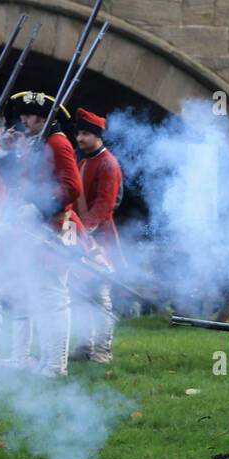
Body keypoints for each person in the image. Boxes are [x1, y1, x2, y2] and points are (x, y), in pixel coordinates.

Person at [4, 90, 86, 377]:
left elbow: (72, 187)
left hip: (53, 229)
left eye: (27, 115)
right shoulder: (38, 143)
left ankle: (55, 365)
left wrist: (38, 209)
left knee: (53, 297)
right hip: (35, 230)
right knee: (35, 294)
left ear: (43, 117)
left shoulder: (57, 143)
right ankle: (42, 361)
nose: (22, 120)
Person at [69, 107, 124, 364]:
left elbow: (104, 205)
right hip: (82, 236)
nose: (80, 139)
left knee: (100, 296)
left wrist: (84, 233)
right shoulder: (83, 161)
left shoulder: (108, 163)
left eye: (85, 134)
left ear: (97, 136)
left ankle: (103, 351)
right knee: (79, 293)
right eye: (78, 133)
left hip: (98, 239)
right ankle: (84, 345)